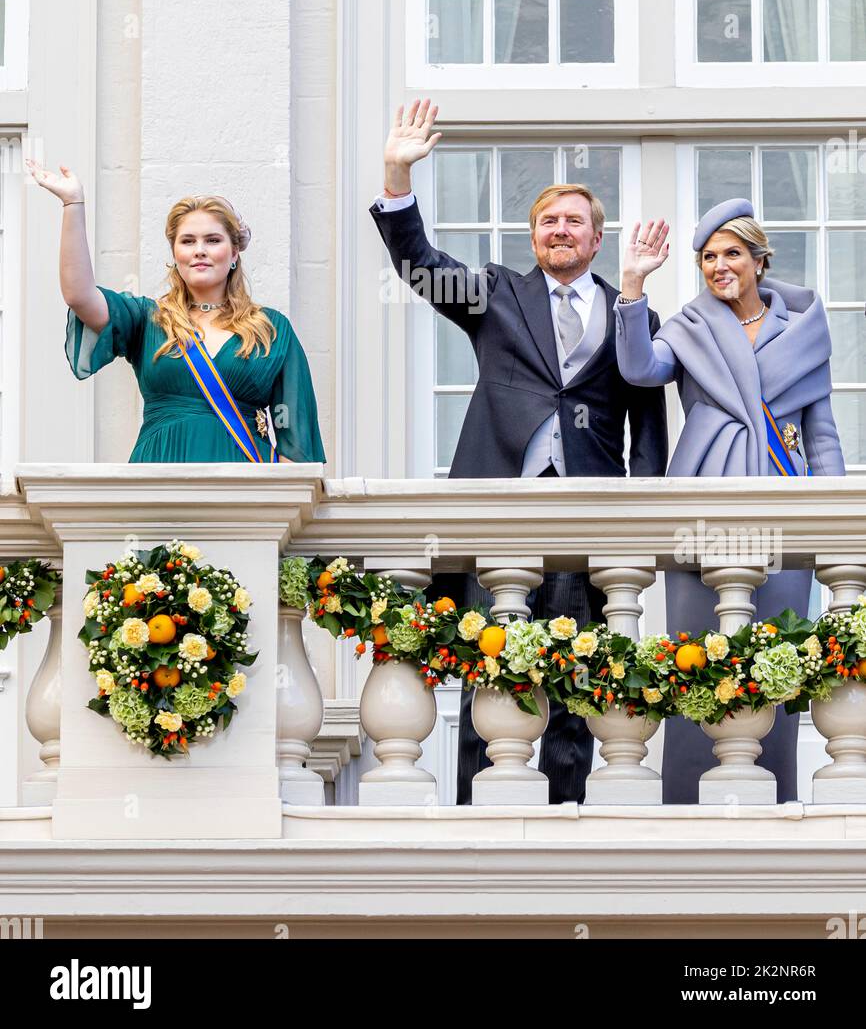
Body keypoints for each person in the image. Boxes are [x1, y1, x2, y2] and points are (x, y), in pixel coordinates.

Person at [371, 99, 668, 805]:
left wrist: (648, 507)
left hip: (589, 519)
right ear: (533, 237)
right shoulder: (496, 295)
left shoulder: (632, 310)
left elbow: (647, 421)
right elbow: (418, 264)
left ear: (597, 238)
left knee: (577, 682)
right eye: (547, 222)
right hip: (497, 514)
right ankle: (480, 816)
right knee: (494, 672)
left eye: (573, 222)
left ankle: (567, 814)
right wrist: (396, 174)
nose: (558, 231)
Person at [615, 197, 845, 803]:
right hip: (705, 504)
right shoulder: (689, 327)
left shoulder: (801, 332)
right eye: (708, 257)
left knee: (778, 659)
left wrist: (838, 519)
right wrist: (634, 287)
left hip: (782, 503)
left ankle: (776, 801)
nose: (719, 266)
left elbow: (821, 435)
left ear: (759, 261)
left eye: (732, 254)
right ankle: (686, 808)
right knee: (696, 660)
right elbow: (639, 368)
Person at [28, 158, 325, 465]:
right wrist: (73, 204)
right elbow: (79, 295)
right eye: (188, 241)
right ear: (175, 253)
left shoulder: (270, 328)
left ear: (234, 252)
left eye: (212, 240)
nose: (199, 250)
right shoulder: (147, 319)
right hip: (159, 475)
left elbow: (298, 448)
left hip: (244, 484)